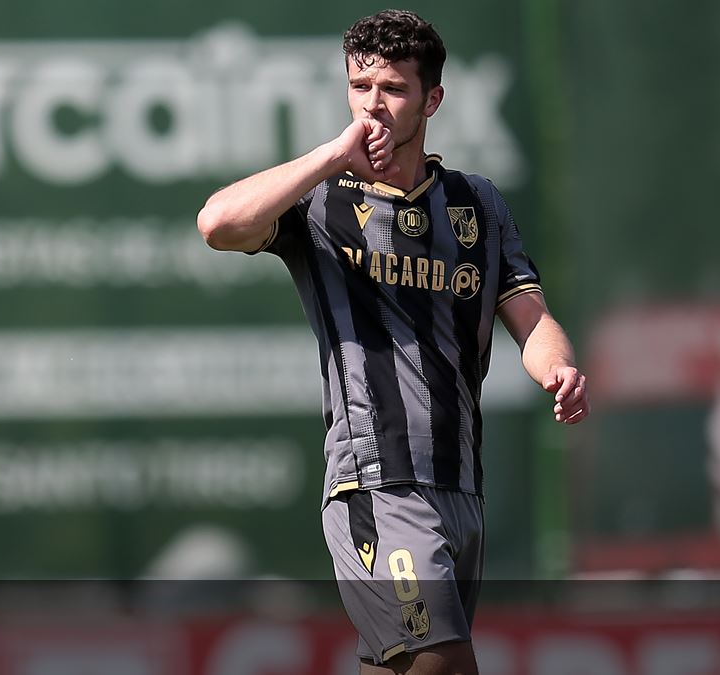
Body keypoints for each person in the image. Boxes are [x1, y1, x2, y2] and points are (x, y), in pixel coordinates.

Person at [196, 10, 589, 674]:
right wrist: (328, 155)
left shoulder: (478, 206)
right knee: (443, 662)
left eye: (394, 89)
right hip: (376, 489)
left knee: (404, 665)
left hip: (460, 490)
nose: (373, 104)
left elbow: (530, 317)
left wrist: (559, 368)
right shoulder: (320, 202)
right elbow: (217, 223)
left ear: (431, 99)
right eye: (359, 86)